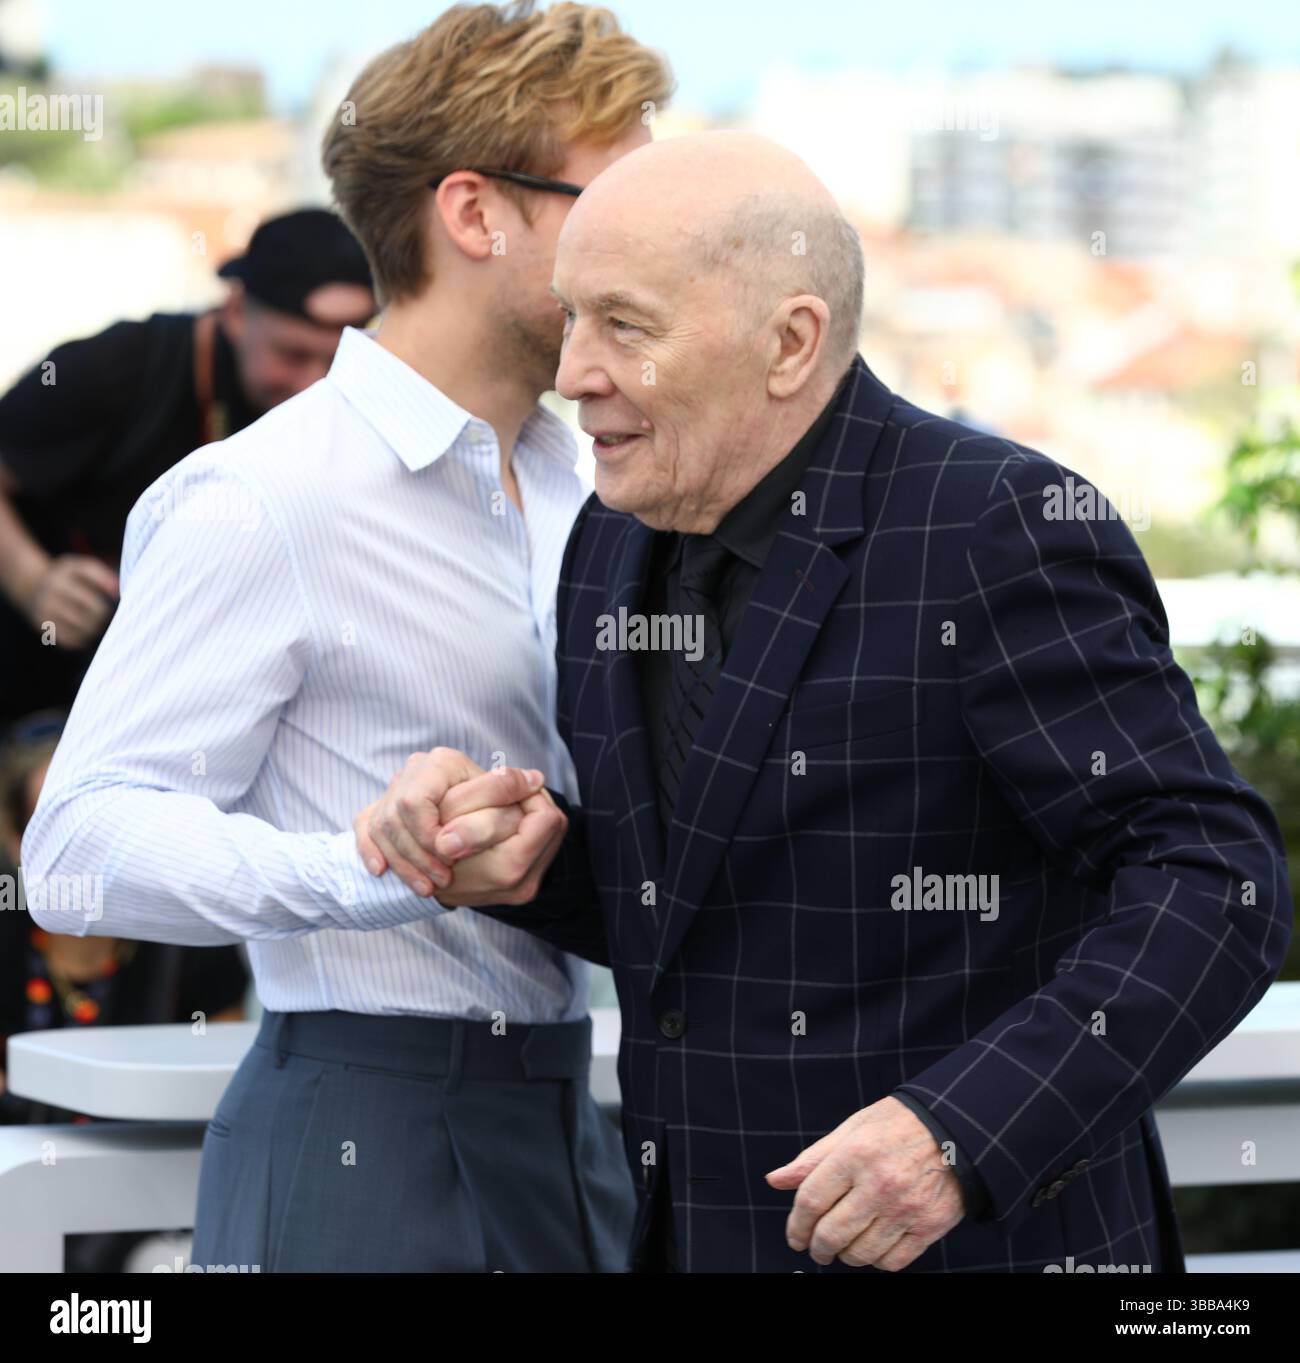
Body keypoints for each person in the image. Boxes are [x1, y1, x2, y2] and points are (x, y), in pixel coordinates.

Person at [353, 130, 1294, 1273]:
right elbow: (721, 913)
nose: (571, 372)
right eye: (569, 317)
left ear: (789, 342)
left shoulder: (996, 528)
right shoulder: (607, 540)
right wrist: (525, 859)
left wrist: (961, 1135)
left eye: (625, 324)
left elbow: (1217, 880)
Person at [22, 0, 673, 1273]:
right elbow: (77, 846)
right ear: (476, 214)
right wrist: (367, 865)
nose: (652, 245)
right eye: (613, 203)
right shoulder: (262, 497)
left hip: (573, 1116)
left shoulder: (595, 484)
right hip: (356, 1121)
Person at [0, 207, 375, 724]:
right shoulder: (117, 367)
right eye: (292, 355)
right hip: (37, 685)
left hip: (186, 701)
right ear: (237, 310)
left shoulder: (348, 406)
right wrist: (34, 581)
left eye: (334, 361)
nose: (313, 385)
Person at [0, 709, 248, 1272]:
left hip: (159, 1196)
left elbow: (226, 1087)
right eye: (46, 827)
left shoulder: (184, 938)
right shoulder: (8, 937)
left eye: (89, 827)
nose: (73, 851)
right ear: (14, 840)